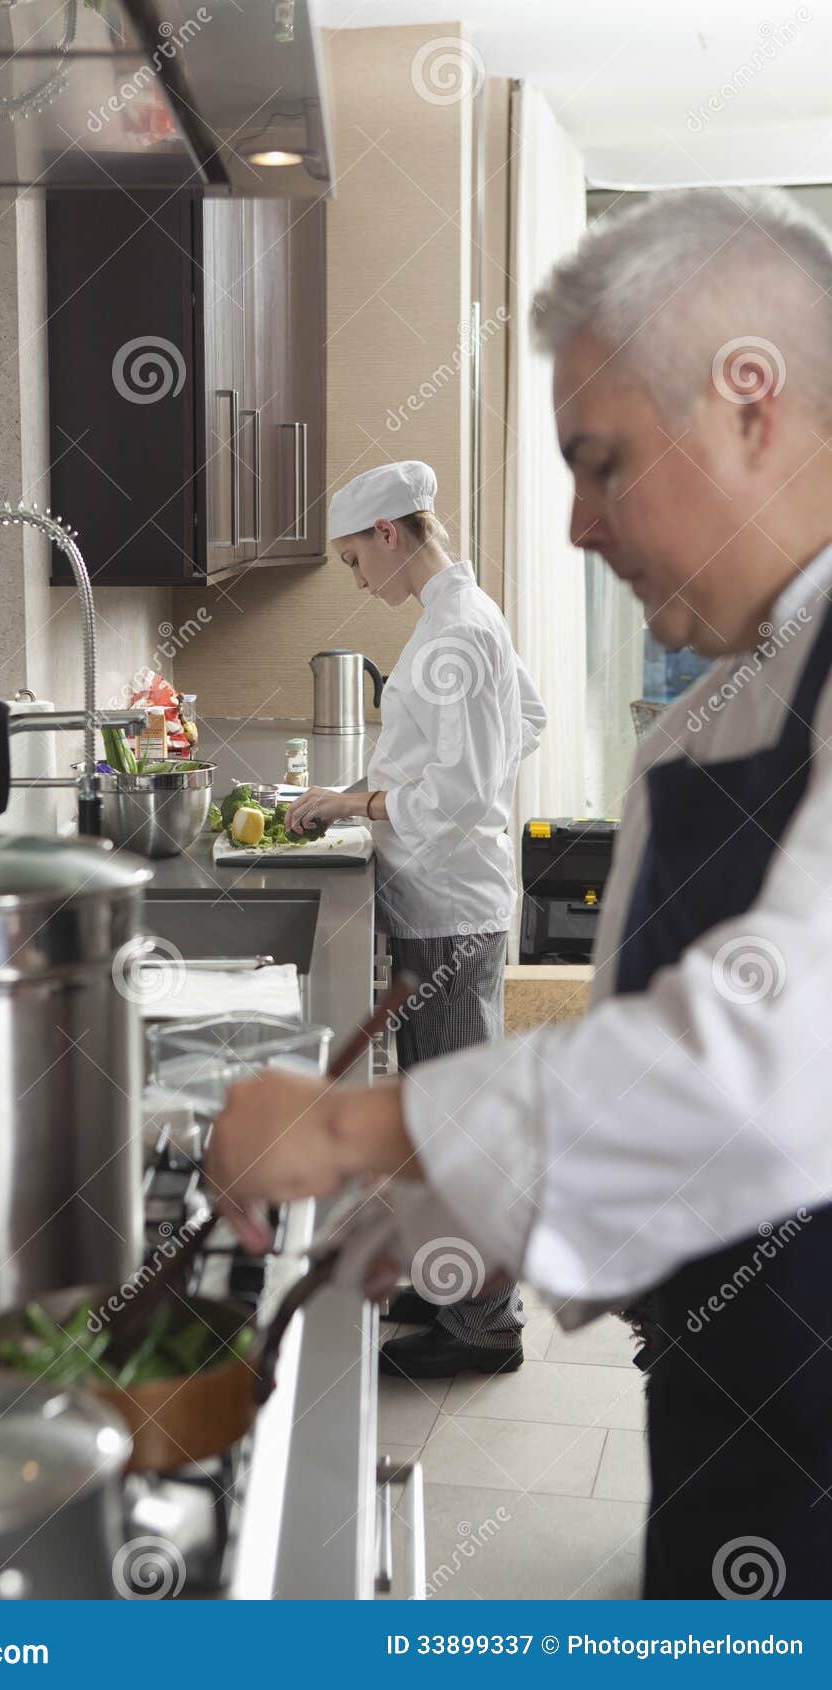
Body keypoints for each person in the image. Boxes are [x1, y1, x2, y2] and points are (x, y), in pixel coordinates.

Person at [208, 185, 832, 1598]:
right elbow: (658, 1078)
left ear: (749, 408)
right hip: (734, 1397)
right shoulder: (723, 702)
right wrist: (431, 1216)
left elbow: (768, 1048)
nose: (572, 526)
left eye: (603, 463)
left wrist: (356, 1122)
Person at [283, 461, 546, 1379]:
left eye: (356, 561)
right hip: (448, 895)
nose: (358, 581)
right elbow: (531, 718)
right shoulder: (463, 617)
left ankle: (484, 1328)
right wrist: (370, 796)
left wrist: (357, 803)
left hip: (450, 905)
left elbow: (464, 789)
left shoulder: (454, 633)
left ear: (390, 535)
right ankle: (451, 1294)